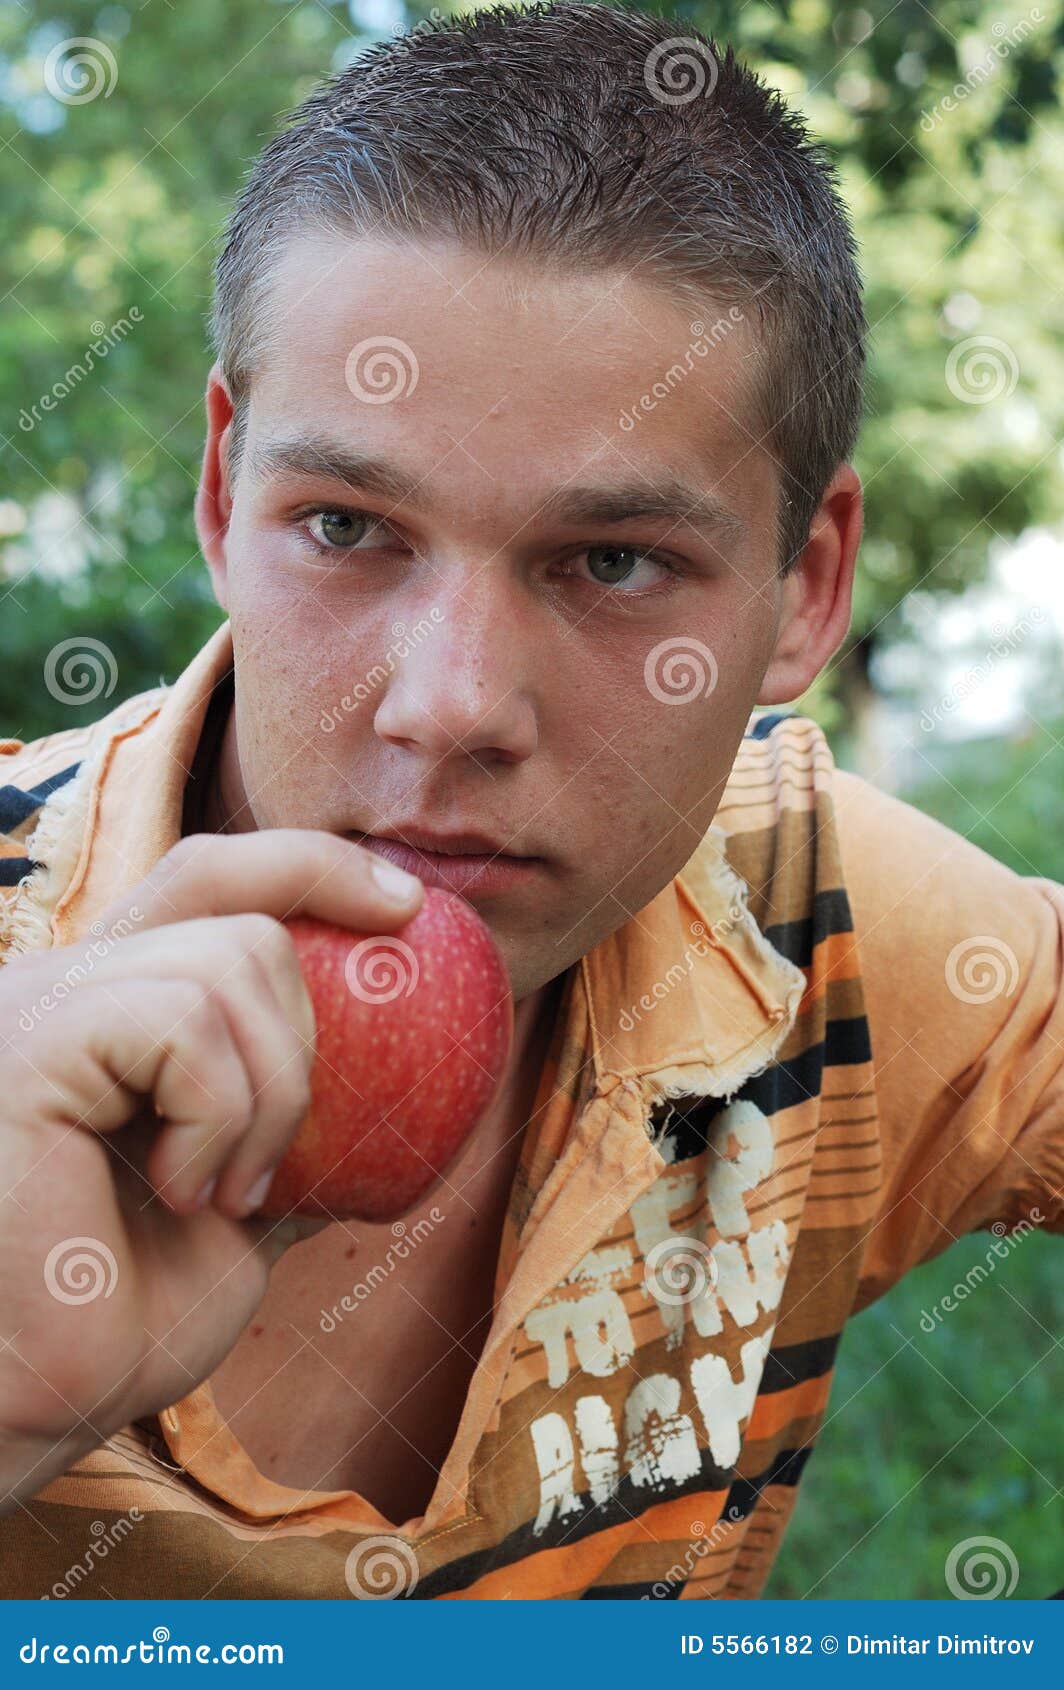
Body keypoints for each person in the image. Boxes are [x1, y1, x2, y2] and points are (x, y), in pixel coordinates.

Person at [0, 2, 1059, 1602]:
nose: (448, 705)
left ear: (805, 586)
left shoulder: (817, 918)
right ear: (223, 495)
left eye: (614, 563)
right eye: (349, 526)